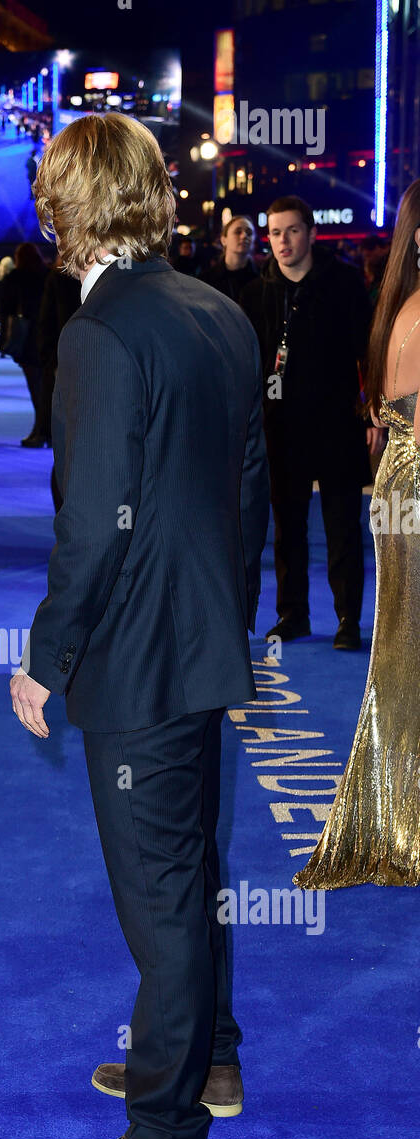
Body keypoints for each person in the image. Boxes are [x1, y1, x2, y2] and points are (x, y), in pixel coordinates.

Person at [9, 112, 269, 1139]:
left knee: (160, 896)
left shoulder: (101, 333)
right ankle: (207, 1059)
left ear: (73, 202)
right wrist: (223, 619)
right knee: (192, 872)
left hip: (138, 653)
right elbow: (250, 489)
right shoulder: (217, 308)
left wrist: (43, 655)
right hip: (200, 641)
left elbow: (91, 523)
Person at [294, 181, 420, 889]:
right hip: (416, 487)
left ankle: (400, 818)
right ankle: (403, 825)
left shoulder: (397, 305)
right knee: (409, 657)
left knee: (402, 655)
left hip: (401, 482)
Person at [241, 197, 383, 650]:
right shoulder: (257, 291)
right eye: (276, 233)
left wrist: (373, 412)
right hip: (281, 429)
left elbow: (368, 351)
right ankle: (292, 614)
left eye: (293, 231)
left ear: (312, 232)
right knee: (288, 529)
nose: (283, 241)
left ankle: (347, 620)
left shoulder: (343, 283)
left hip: (338, 424)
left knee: (343, 527)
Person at [31, 252, 81, 466]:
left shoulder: (56, 277)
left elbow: (46, 317)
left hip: (62, 346)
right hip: (72, 346)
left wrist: (46, 350)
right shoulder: (61, 278)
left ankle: (50, 434)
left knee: (57, 396)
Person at [0, 242, 47, 446]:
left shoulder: (14, 278)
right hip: (45, 337)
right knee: (46, 388)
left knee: (36, 389)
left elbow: (4, 307)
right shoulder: (47, 275)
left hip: (25, 338)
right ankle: (45, 430)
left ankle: (40, 431)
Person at [199, 216, 259, 302]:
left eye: (249, 233)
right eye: (238, 232)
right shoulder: (206, 280)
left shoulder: (263, 278)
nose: (244, 236)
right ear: (224, 240)